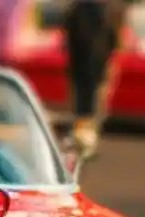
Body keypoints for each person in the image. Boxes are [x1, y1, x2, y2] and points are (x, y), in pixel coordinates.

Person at [62, 0, 126, 158]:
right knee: (95, 105)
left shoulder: (76, 9)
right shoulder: (111, 10)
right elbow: (115, 41)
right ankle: (88, 142)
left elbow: (68, 39)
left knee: (81, 105)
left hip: (79, 64)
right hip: (100, 63)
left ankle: (80, 140)